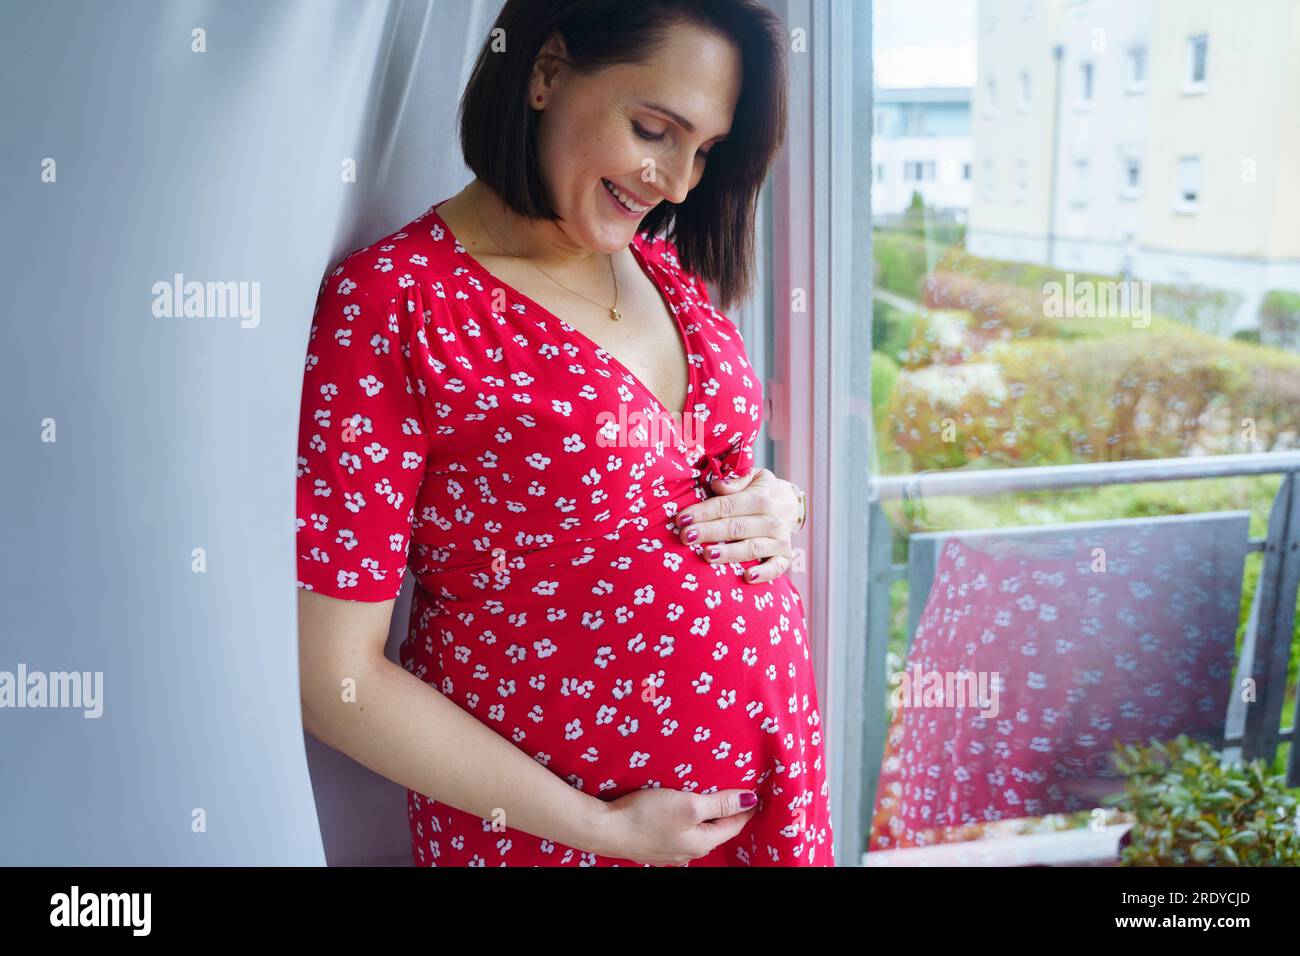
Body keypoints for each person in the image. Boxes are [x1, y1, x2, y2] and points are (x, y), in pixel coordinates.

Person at [295, 0, 832, 867]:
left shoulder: (663, 273)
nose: (680, 182)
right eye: (656, 129)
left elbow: (697, 481)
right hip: (559, 840)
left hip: (767, 804)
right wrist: (606, 829)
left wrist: (780, 503)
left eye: (705, 151)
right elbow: (332, 680)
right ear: (546, 73)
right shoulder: (396, 304)